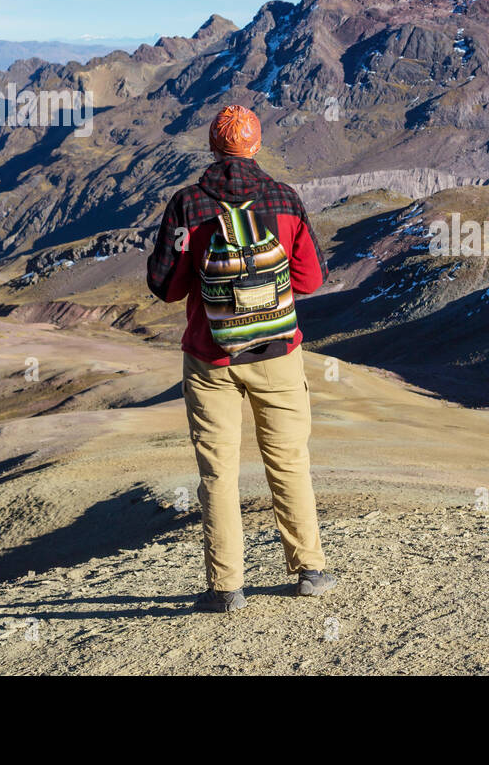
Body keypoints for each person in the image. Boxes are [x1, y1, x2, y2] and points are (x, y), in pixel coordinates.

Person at [146, 104, 336, 611]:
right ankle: (310, 571)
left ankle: (227, 588)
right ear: (255, 146)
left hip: (212, 360)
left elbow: (165, 286)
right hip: (278, 354)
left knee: (218, 473)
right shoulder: (285, 199)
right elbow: (311, 280)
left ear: (213, 146)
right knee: (290, 462)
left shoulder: (187, 204)